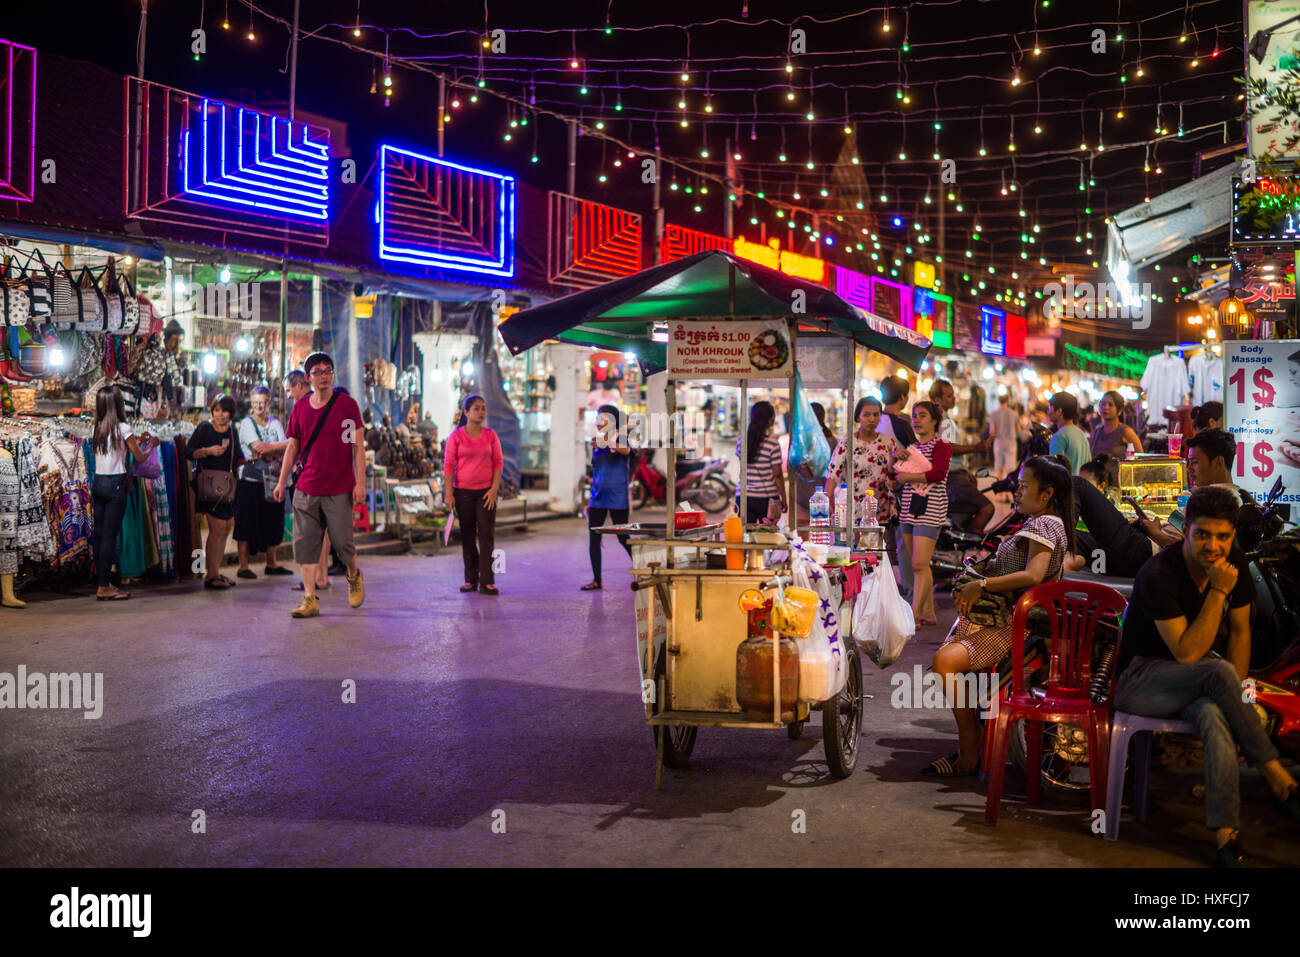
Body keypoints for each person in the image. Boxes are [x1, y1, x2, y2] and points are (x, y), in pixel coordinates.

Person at [1114, 486, 1300, 866]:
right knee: (1216, 670)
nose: (1213, 546)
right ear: (1186, 532)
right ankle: (1279, 779)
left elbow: (1241, 632)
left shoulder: (1235, 564)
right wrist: (1217, 591)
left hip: (1195, 680)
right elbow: (1186, 652)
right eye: (1202, 534)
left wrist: (1237, 693)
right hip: (1141, 681)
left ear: (1233, 535)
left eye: (1223, 536)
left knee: (1217, 716)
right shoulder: (1159, 573)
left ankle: (1226, 838)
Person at [924, 455, 1074, 776]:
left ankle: (969, 746)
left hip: (1015, 626)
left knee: (945, 662)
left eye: (1023, 486)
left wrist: (982, 583)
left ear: (1046, 494)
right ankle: (974, 738)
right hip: (1005, 619)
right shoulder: (1039, 523)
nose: (1016, 492)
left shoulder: (1045, 525)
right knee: (952, 662)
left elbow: (1034, 576)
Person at [273, 352, 366, 617]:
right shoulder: (300, 408)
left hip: (338, 487)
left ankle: (353, 574)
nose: (324, 376)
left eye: (328, 371)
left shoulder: (347, 406)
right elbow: (293, 447)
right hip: (306, 486)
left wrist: (360, 483)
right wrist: (282, 481)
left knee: (342, 543)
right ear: (308, 378)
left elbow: (357, 447)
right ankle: (310, 598)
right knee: (305, 544)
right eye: (318, 372)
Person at [90, 386, 156, 601]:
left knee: (100, 537)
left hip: (98, 482)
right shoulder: (124, 428)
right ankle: (104, 586)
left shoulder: (96, 428)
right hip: (116, 483)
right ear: (118, 404)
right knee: (109, 537)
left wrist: (137, 440)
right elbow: (140, 457)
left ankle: (103, 582)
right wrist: (151, 445)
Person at [895, 400, 951, 627]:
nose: (916, 420)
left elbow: (938, 473)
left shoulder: (941, 446)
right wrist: (895, 461)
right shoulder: (913, 448)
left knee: (919, 563)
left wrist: (909, 477)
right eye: (915, 415)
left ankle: (914, 615)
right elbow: (896, 476)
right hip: (909, 509)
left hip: (931, 508)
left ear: (935, 420)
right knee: (917, 563)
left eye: (922, 415)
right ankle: (928, 612)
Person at [443, 394, 504, 595]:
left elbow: (498, 464)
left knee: (486, 535)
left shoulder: (490, 436)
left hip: (486, 493)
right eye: (476, 408)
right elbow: (448, 466)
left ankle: (487, 580)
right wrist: (449, 493)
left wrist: (494, 489)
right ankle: (471, 579)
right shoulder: (457, 437)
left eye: (483, 408)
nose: (481, 412)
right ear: (466, 412)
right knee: (468, 536)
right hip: (463, 493)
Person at [233, 386, 290, 579]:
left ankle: (271, 563)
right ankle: (243, 566)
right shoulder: (246, 424)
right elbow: (259, 449)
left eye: (262, 402)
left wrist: (270, 449)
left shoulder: (275, 423)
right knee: (246, 524)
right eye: (255, 402)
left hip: (272, 481)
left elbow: (286, 447)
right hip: (250, 481)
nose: (258, 405)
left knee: (272, 521)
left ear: (268, 403)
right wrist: (276, 449)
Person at [187, 394, 244, 590]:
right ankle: (210, 576)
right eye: (217, 410)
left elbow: (238, 457)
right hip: (209, 485)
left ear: (231, 413)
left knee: (226, 527)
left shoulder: (232, 431)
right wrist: (208, 451)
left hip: (227, 486)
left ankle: (216, 571)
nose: (220, 414)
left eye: (224, 411)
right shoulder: (204, 428)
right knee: (217, 527)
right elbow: (188, 452)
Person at [823, 397, 900, 531]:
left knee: (876, 551)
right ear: (858, 417)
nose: (871, 419)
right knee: (854, 551)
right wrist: (826, 501)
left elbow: (894, 473)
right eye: (867, 414)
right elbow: (833, 473)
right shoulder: (848, 442)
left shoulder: (888, 442)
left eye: (876, 415)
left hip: (881, 509)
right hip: (852, 509)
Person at [930, 379, 994, 533]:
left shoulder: (943, 419)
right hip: (953, 477)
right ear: (937, 399)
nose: (953, 399)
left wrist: (965, 471)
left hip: (956, 475)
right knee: (988, 508)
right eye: (949, 396)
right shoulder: (943, 421)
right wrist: (975, 447)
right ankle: (971, 541)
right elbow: (947, 448)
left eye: (953, 395)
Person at [582, 405, 633, 591]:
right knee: (594, 537)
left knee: (623, 537)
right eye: (597, 417)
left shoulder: (622, 437)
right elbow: (595, 469)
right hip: (598, 496)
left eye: (602, 417)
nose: (598, 421)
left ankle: (644, 570)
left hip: (618, 496)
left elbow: (627, 451)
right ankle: (597, 580)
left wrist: (608, 441)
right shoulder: (596, 443)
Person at [879, 375, 917, 598]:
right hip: (901, 490)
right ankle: (909, 590)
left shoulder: (875, 419)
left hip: (877, 488)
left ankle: (885, 588)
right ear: (903, 397)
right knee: (904, 541)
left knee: (882, 539)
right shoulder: (901, 424)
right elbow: (917, 453)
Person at [735, 400, 787, 524]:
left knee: (746, 536)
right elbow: (777, 475)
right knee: (767, 536)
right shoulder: (772, 444)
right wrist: (784, 497)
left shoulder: (741, 441)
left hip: (743, 496)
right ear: (770, 421)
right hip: (767, 498)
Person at [794, 401, 837, 526]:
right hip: (823, 493)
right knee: (821, 534)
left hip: (801, 493)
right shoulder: (831, 440)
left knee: (803, 537)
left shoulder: (801, 440)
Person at [1090, 390, 1142, 483]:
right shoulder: (1096, 433)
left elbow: (1140, 457)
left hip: (1119, 487)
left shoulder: (1126, 432)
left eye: (1110, 404)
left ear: (1119, 410)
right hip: (1098, 486)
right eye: (1103, 403)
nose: (1105, 407)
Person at [1047, 392, 1092, 475]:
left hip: (1067, 487)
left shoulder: (1059, 437)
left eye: (1050, 407)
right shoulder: (1082, 435)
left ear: (1059, 411)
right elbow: (1089, 465)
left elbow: (1055, 471)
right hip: (1082, 486)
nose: (1048, 411)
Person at [988, 392, 1019, 479]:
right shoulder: (1014, 414)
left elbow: (992, 431)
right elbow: (1018, 429)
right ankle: (1008, 491)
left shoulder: (993, 414)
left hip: (999, 442)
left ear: (999, 401)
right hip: (1011, 442)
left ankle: (999, 491)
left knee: (999, 468)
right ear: (1007, 401)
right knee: (1010, 469)